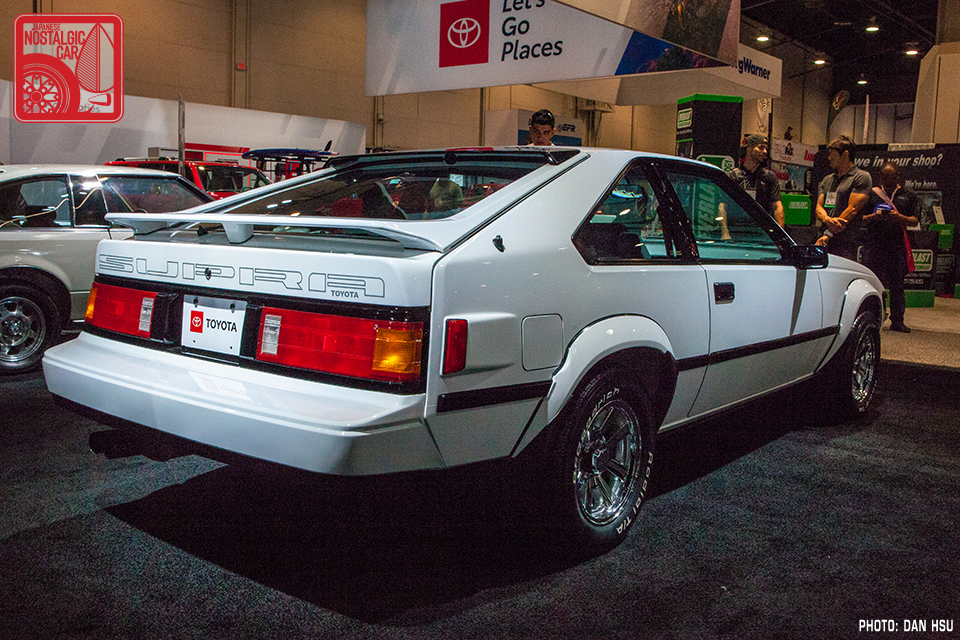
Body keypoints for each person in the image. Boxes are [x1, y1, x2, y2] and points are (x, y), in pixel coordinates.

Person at [862, 162, 919, 333]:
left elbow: (915, 220)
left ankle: (897, 321)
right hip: (874, 246)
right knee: (872, 284)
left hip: (896, 247)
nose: (886, 180)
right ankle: (872, 318)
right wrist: (875, 216)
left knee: (897, 285)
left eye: (890, 177)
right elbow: (861, 219)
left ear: (897, 176)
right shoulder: (872, 194)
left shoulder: (909, 195)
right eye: (883, 176)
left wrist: (899, 217)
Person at [815, 135, 872, 259]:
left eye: (832, 154)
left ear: (845, 154)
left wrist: (829, 234)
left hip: (845, 243)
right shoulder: (827, 179)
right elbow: (819, 207)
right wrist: (826, 219)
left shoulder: (861, 177)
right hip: (823, 239)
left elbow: (852, 209)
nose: (829, 158)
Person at [727, 133, 785, 226]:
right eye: (760, 147)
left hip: (762, 230)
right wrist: (725, 232)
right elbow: (723, 205)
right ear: (749, 148)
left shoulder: (768, 177)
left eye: (766, 148)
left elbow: (777, 207)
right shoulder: (734, 176)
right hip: (737, 229)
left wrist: (780, 235)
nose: (765, 151)